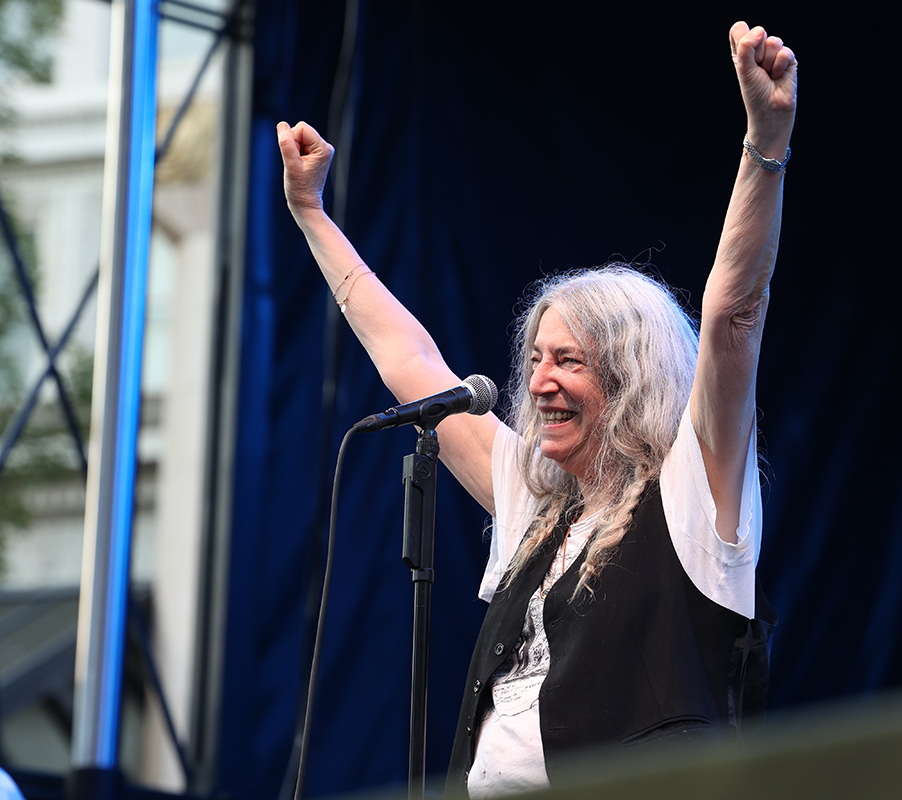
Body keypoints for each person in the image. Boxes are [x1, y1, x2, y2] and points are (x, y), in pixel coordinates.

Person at [278, 20, 796, 798]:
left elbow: (731, 318)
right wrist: (312, 215)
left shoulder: (692, 497)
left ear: (631, 379)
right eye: (535, 360)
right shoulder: (540, 506)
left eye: (570, 361)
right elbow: (413, 364)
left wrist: (766, 142)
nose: (540, 381)